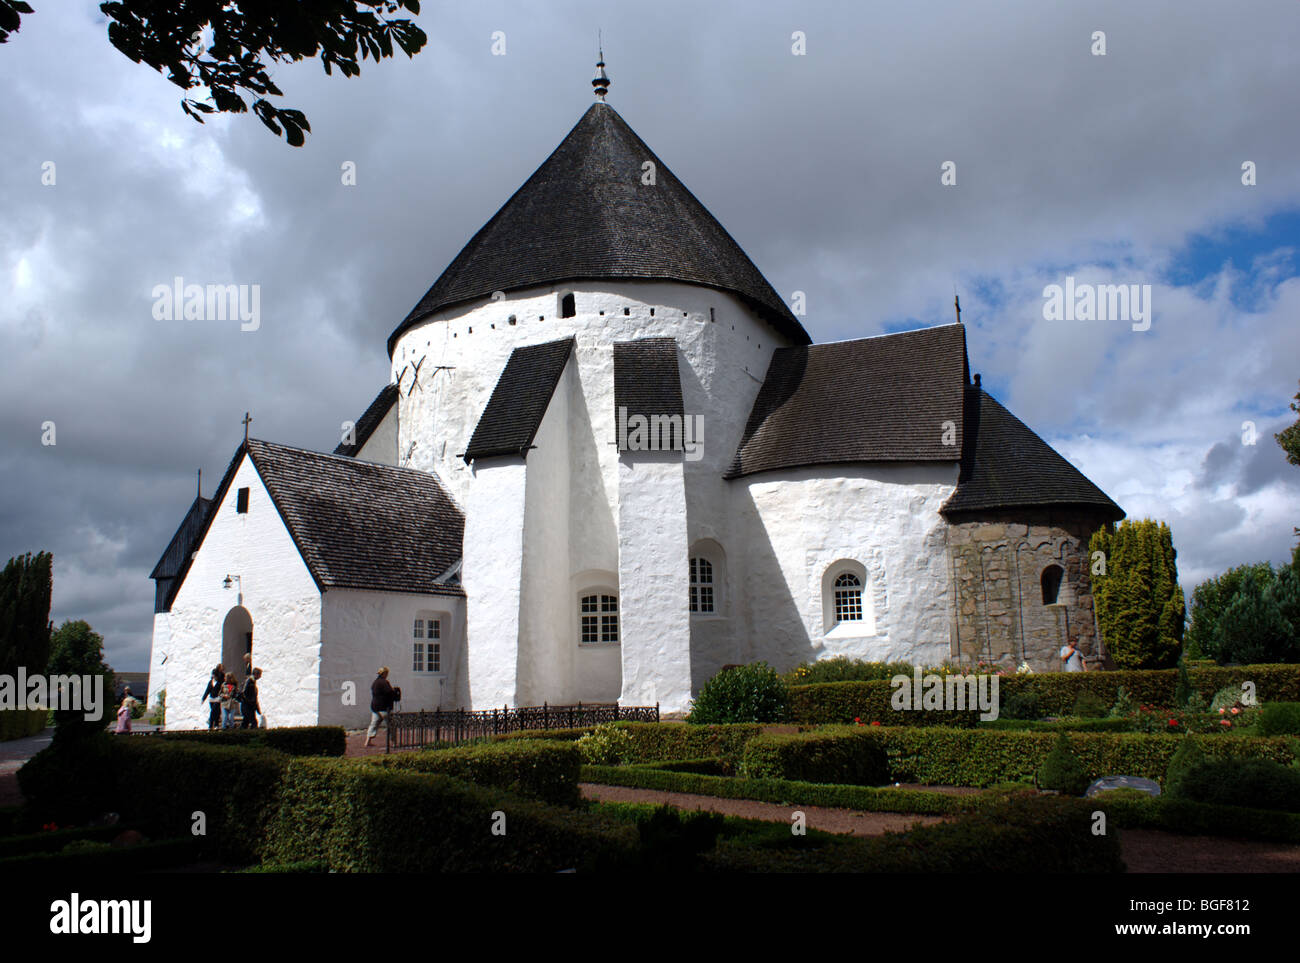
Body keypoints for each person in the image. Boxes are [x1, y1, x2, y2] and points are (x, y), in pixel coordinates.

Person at [364, 667, 396, 747]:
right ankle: (394, 742)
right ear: (384, 674)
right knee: (391, 725)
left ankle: (367, 741)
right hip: (384, 707)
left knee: (373, 724)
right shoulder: (384, 683)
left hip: (375, 707)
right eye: (386, 673)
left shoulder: (375, 682)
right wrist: (394, 693)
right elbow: (389, 693)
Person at [200, 665, 224, 730]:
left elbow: (222, 690)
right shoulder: (210, 682)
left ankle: (210, 724)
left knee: (213, 711)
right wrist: (203, 699)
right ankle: (216, 724)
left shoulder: (219, 682)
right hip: (211, 699)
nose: (214, 677)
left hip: (217, 699)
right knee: (215, 711)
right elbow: (207, 690)